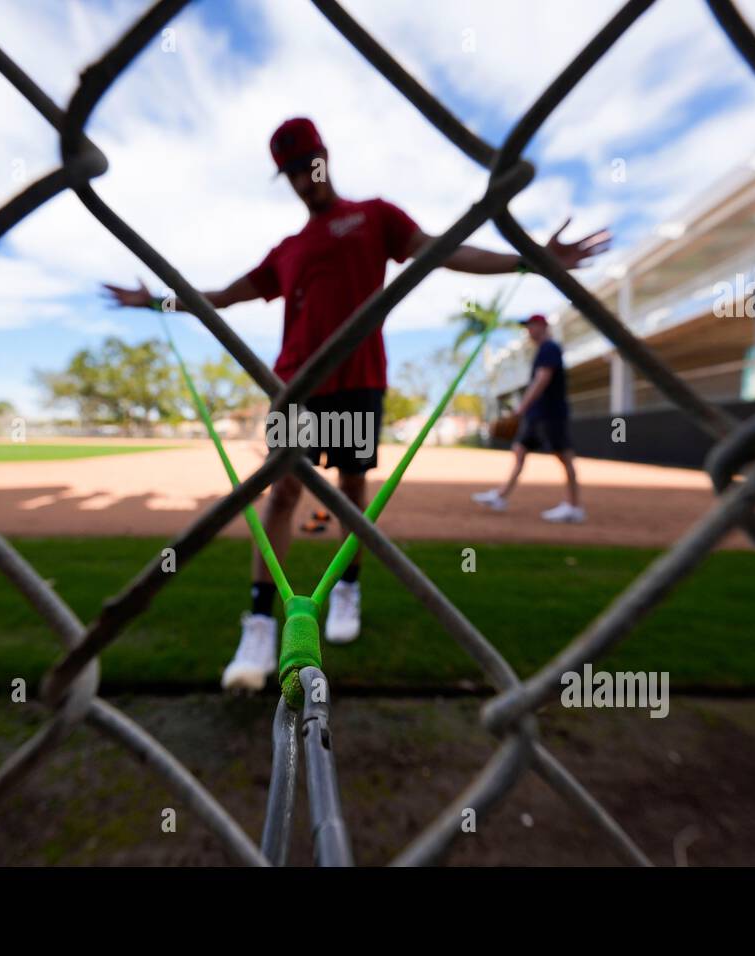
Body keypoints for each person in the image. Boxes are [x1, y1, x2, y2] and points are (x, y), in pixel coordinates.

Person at [104, 117, 607, 692]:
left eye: (308, 164)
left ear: (325, 157)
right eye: (290, 172)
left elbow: (441, 250)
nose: (302, 178)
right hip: (296, 384)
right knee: (282, 493)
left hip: (359, 379)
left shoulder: (373, 216)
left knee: (350, 491)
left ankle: (346, 589)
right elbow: (217, 298)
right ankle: (261, 619)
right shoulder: (287, 249)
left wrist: (527, 258)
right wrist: (154, 304)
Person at [472, 314, 584, 522]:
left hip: (550, 413)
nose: (529, 331)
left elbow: (542, 379)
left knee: (564, 457)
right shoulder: (542, 350)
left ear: (542, 326)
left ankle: (573, 506)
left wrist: (522, 407)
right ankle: (500, 496)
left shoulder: (550, 348)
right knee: (520, 450)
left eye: (531, 326)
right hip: (537, 414)